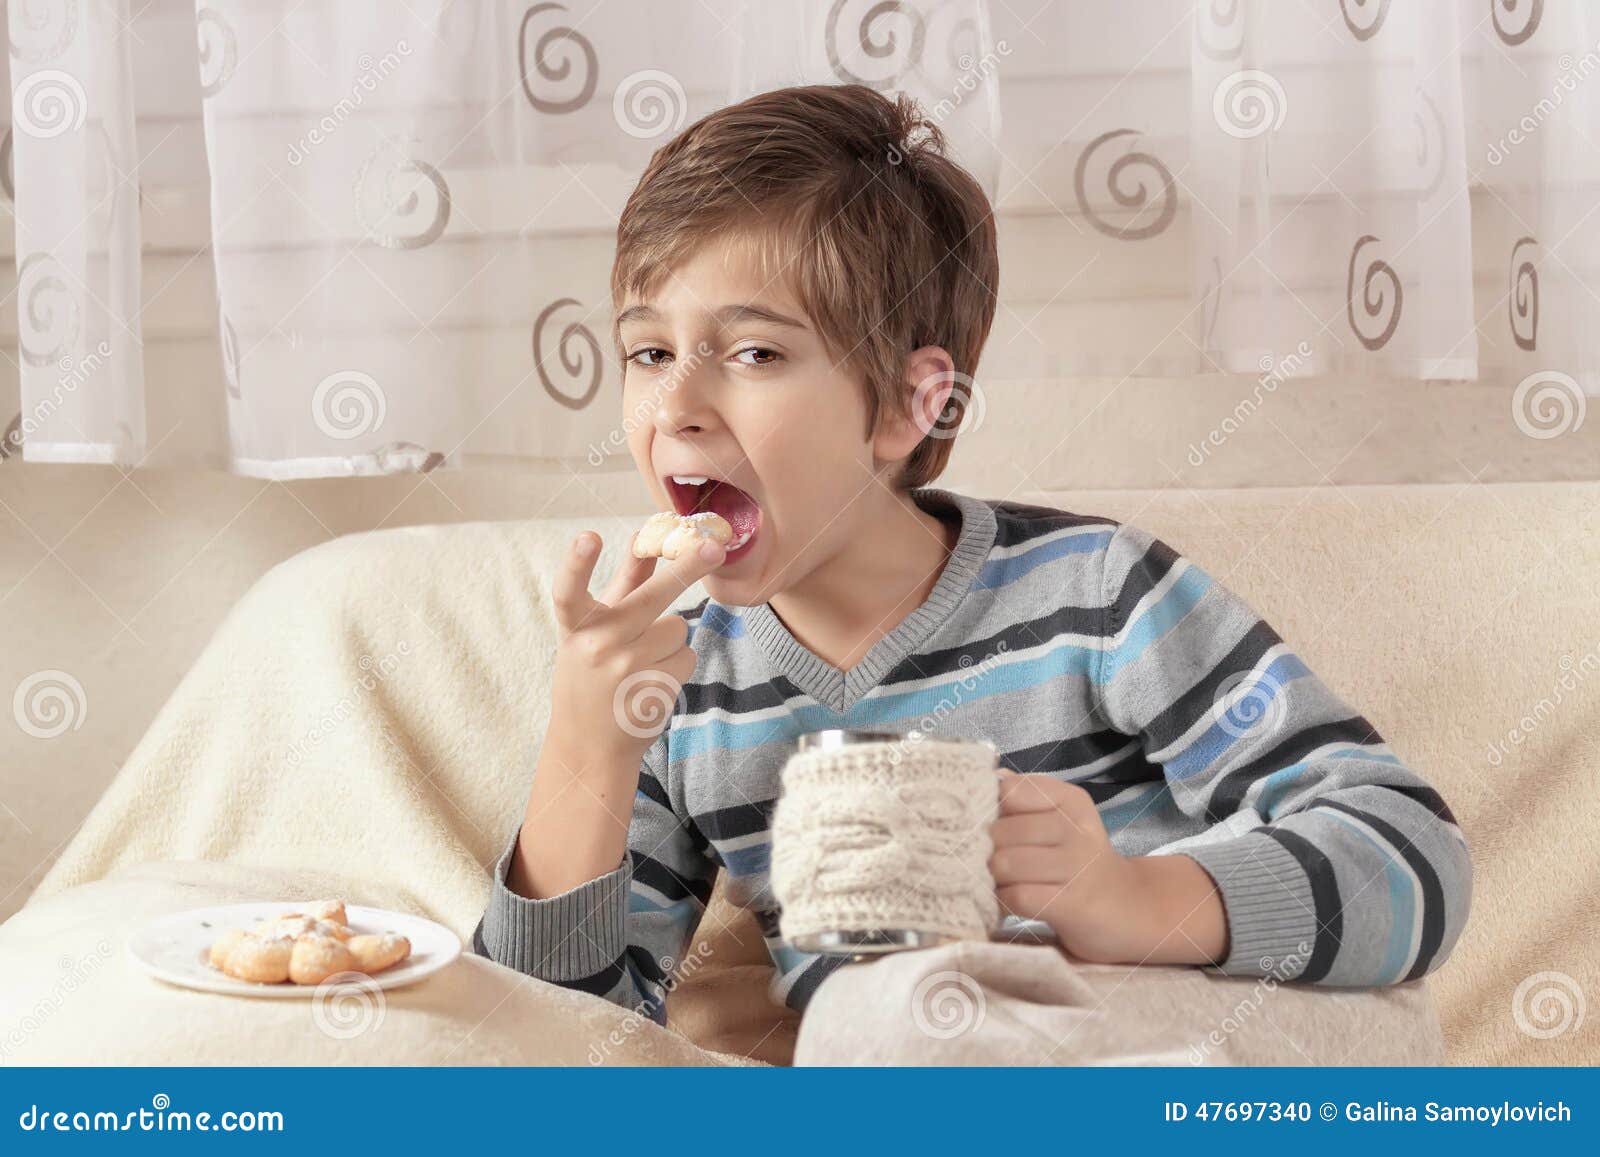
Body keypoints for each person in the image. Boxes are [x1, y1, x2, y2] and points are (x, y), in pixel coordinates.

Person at [473, 83, 1471, 1065]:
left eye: (754, 351)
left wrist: (1135, 901)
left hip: (1200, 1041)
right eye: (647, 350)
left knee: (883, 1022)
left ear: (910, 406)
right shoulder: (680, 695)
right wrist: (583, 749)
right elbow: (551, 1049)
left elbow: (1412, 851)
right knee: (874, 1025)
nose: (676, 404)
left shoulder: (1095, 593)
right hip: (912, 1070)